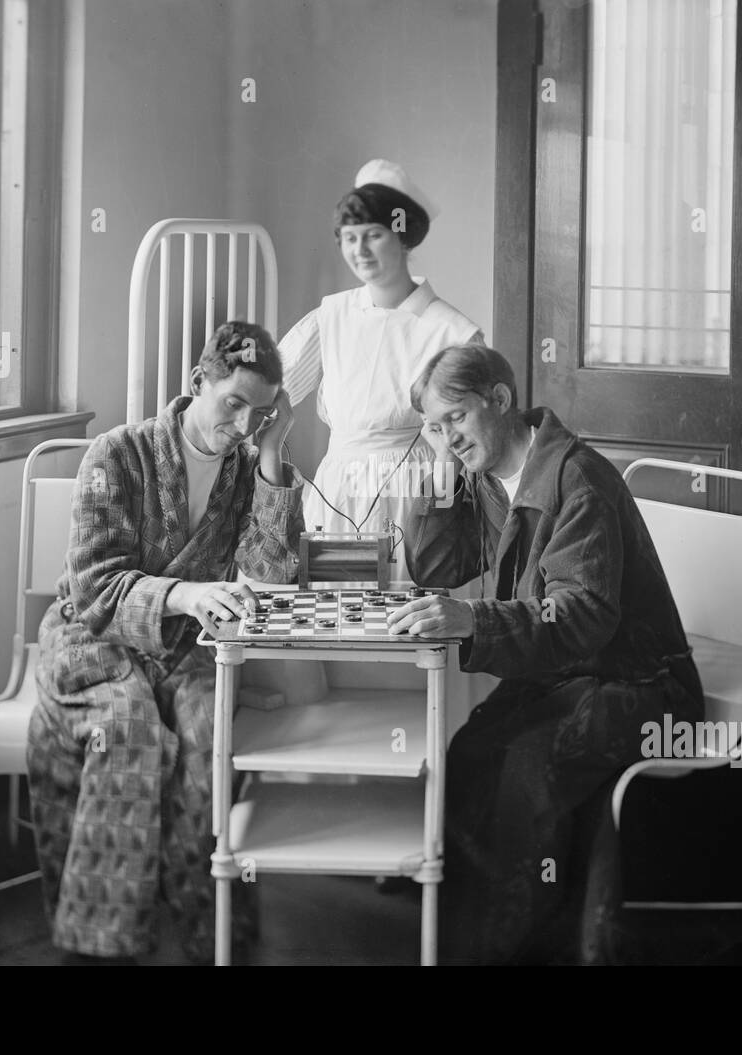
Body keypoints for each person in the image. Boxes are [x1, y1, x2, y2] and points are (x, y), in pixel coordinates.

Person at [387, 344, 705, 964]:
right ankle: (476, 944)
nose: (447, 437)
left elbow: (582, 614)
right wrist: (439, 474)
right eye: (434, 426)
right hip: (567, 680)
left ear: (500, 400)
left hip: (643, 686)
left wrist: (473, 618)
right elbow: (436, 565)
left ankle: (524, 948)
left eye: (456, 418)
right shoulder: (482, 478)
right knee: (472, 752)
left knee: (527, 771)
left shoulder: (576, 477)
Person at [25, 321, 303, 963]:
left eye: (258, 413)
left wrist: (271, 452)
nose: (241, 423)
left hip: (182, 647)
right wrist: (185, 594)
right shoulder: (116, 454)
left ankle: (213, 936)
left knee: (209, 737)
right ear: (196, 381)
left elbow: (274, 576)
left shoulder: (245, 469)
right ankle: (101, 948)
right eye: (232, 403)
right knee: (131, 729)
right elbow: (95, 589)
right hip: (91, 641)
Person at [278, 159, 483, 564]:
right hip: (338, 492)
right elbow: (273, 389)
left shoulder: (453, 332)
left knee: (408, 617)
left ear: (403, 237)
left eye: (374, 235)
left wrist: (440, 491)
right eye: (350, 237)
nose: (360, 251)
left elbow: (470, 438)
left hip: (414, 493)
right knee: (338, 617)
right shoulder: (332, 315)